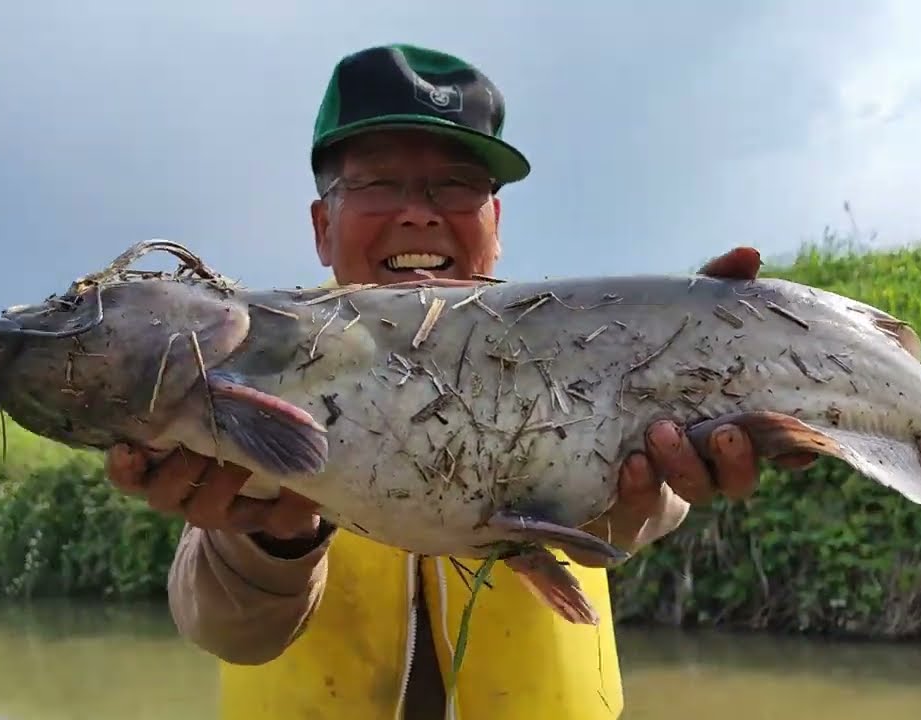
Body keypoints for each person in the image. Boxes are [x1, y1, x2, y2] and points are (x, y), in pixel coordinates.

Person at [105, 44, 815, 720]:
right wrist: (271, 534)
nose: (420, 211)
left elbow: (649, 511)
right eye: (379, 183)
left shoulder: (573, 343)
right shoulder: (254, 362)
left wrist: (639, 491)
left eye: (456, 185)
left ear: (494, 223)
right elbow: (226, 629)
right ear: (324, 225)